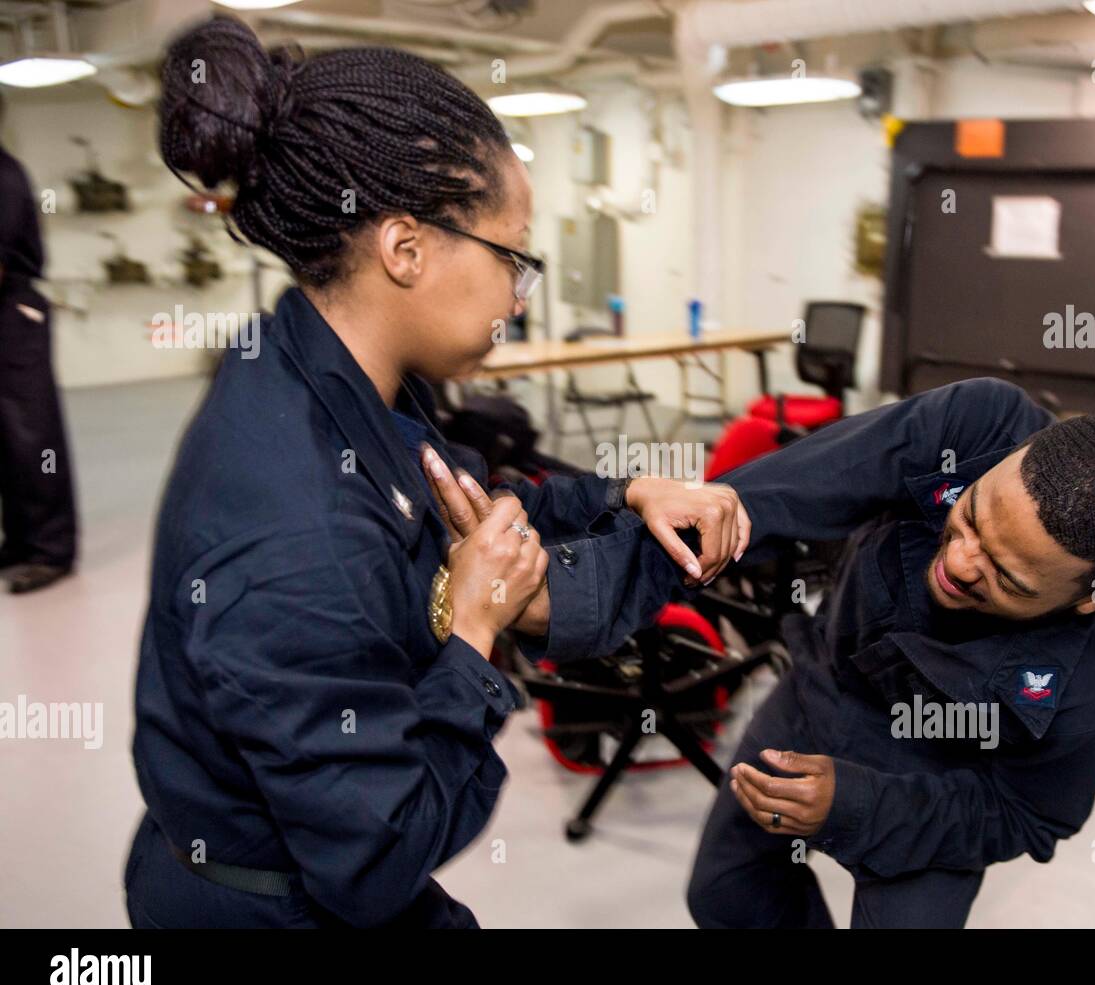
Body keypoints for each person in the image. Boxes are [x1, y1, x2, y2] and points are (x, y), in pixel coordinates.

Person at [124, 17, 746, 929]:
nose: (518, 298)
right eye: (514, 258)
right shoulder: (300, 539)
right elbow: (378, 859)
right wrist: (476, 636)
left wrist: (621, 493)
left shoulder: (322, 361)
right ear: (405, 248)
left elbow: (471, 501)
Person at [686, 377, 1095, 928]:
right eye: (970, 516)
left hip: (934, 788)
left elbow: (1030, 815)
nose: (960, 563)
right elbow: (799, 483)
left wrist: (859, 807)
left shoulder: (1080, 696)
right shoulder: (974, 432)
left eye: (1008, 578)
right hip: (820, 690)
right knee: (726, 894)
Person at [0, 89, 78, 594]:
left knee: (31, 435)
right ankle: (21, 541)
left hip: (13, 313)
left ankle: (51, 550)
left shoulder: (2, 176)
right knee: (6, 437)